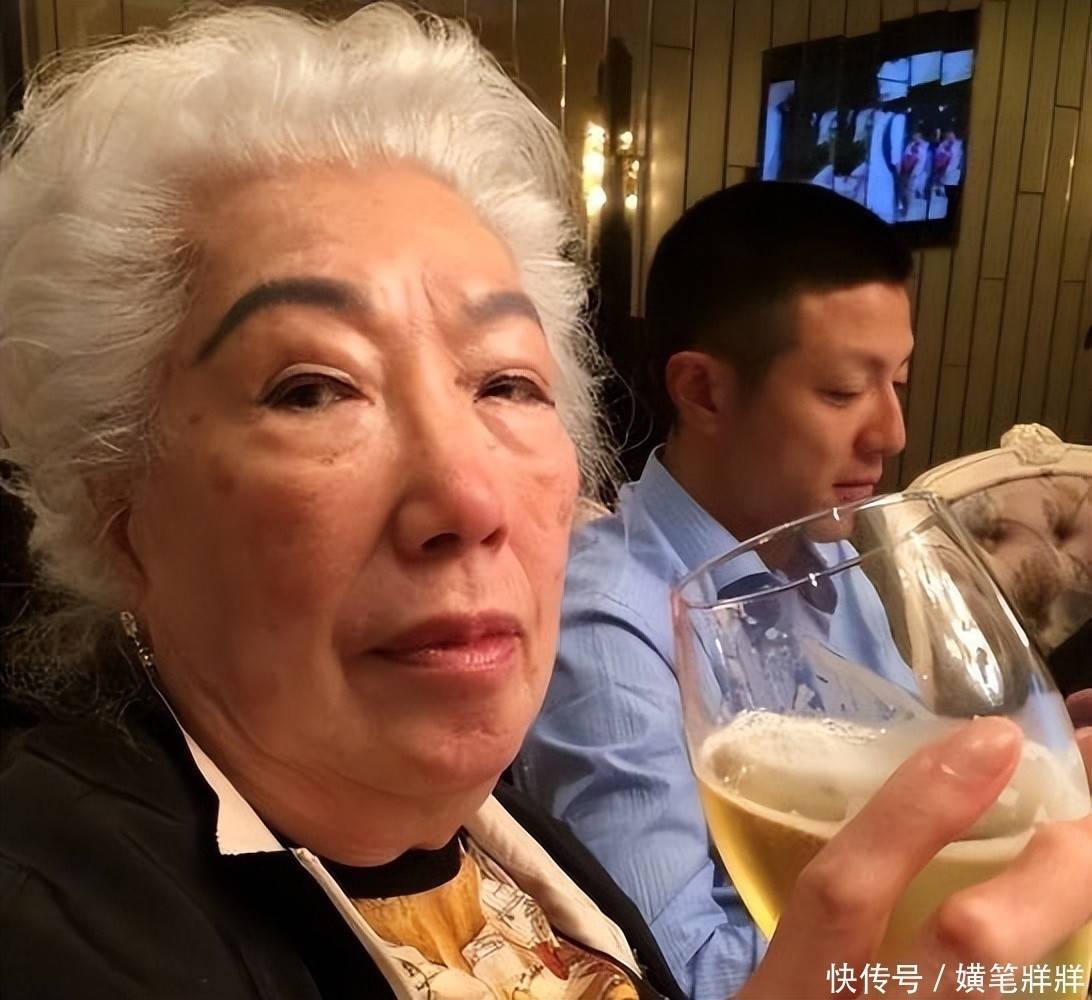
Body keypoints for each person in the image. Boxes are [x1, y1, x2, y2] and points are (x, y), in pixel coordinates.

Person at [1, 8, 1091, 1000]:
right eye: (314, 388)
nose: (468, 494)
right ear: (118, 505)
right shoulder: (60, 920)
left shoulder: (486, 832)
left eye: (507, 384)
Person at [513, 181, 921, 999]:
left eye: (898, 384)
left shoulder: (828, 559)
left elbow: (907, 773)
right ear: (703, 391)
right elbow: (682, 975)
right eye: (844, 391)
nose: (891, 434)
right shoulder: (613, 622)